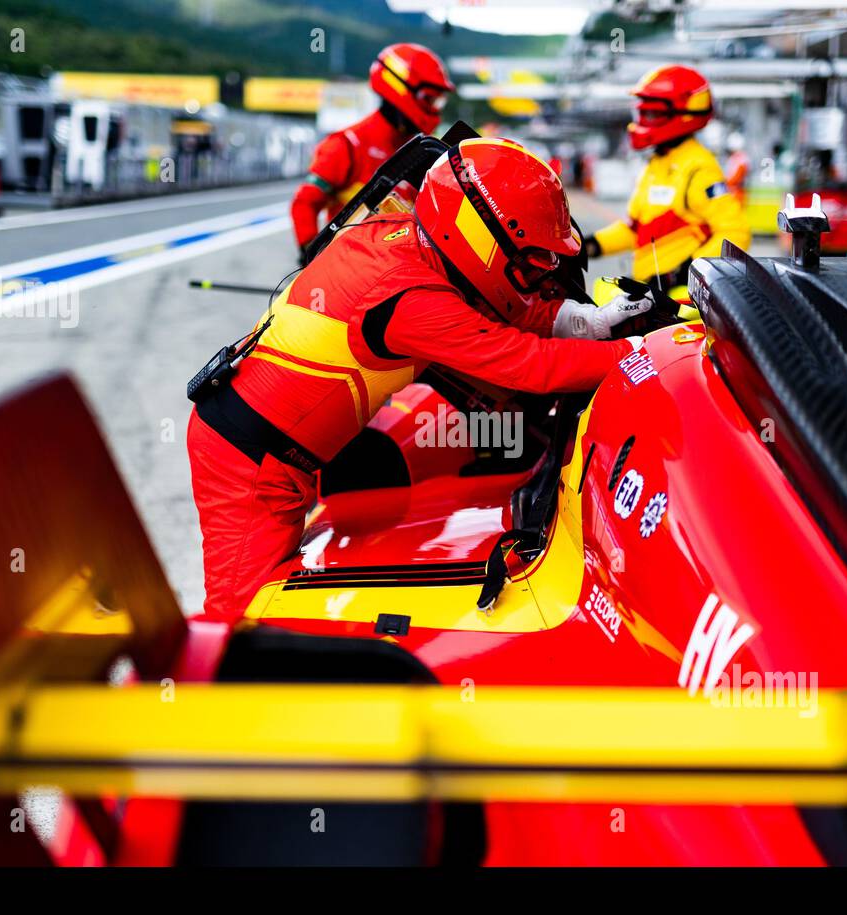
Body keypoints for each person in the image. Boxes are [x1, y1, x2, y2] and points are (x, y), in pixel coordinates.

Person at [189, 137, 655, 621]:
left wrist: (587, 322)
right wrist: (640, 353)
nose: (536, 276)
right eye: (528, 262)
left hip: (272, 446)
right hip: (250, 465)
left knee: (271, 614)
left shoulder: (400, 233)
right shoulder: (412, 302)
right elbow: (529, 365)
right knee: (239, 628)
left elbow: (499, 309)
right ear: (478, 237)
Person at [584, 65, 750, 299]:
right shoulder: (657, 164)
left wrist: (687, 273)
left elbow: (735, 232)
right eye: (641, 114)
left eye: (651, 114)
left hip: (681, 300)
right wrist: (589, 246)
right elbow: (635, 229)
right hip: (654, 292)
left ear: (683, 116)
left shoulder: (698, 167)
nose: (642, 121)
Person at [290, 43, 454, 260]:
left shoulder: (426, 152)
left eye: (438, 102)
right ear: (399, 87)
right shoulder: (347, 145)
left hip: (402, 270)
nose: (434, 109)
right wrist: (312, 256)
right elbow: (304, 203)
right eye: (429, 99)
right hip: (350, 272)